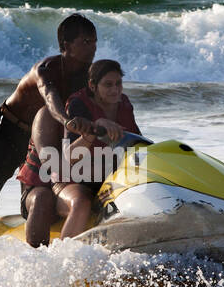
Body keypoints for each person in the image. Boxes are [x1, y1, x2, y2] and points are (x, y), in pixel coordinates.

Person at [0, 13, 99, 231]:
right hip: (10, 128)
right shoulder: (45, 70)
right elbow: (51, 99)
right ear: (66, 46)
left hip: (40, 135)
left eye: (95, 42)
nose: (93, 47)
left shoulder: (87, 76)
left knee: (41, 189)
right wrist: (67, 121)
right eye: (86, 42)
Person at [17, 59, 140, 245]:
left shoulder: (124, 104)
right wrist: (92, 131)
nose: (115, 89)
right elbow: (60, 164)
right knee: (71, 202)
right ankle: (59, 259)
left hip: (102, 177)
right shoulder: (67, 110)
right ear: (92, 85)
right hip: (65, 180)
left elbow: (136, 142)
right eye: (108, 84)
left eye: (118, 83)